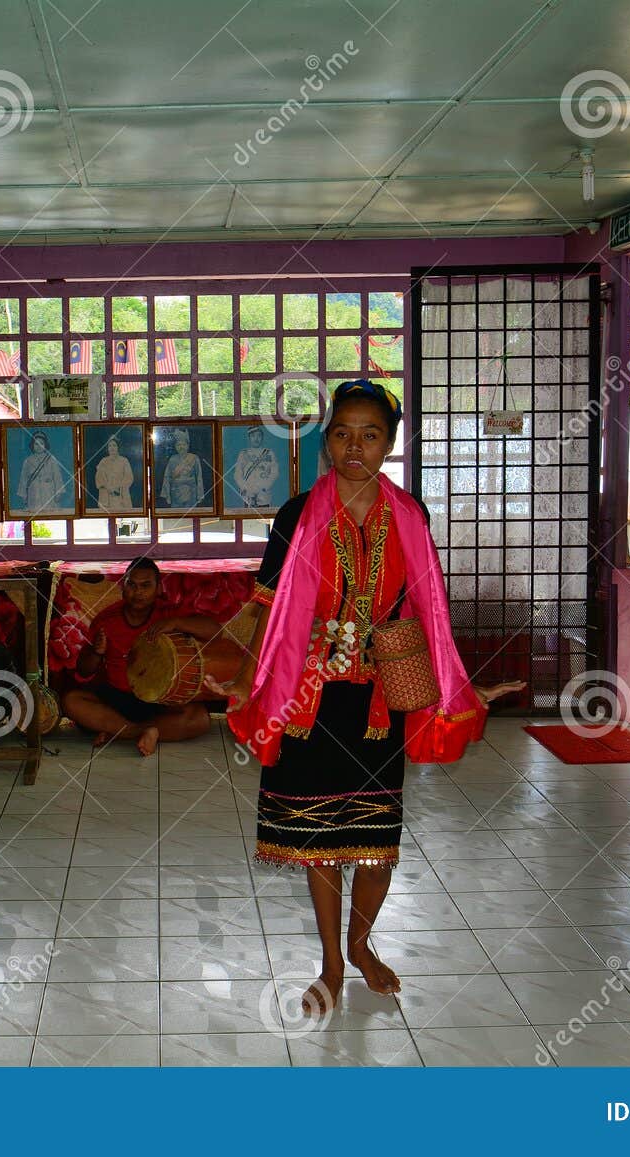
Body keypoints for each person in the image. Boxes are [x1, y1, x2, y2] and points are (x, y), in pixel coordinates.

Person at [221, 379, 511, 1018]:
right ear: (326, 441)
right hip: (308, 697)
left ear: (389, 443)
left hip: (380, 703)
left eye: (370, 435)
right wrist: (245, 679)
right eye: (343, 434)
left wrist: (458, 686)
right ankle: (332, 961)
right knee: (319, 841)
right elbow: (267, 603)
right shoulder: (297, 513)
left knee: (377, 842)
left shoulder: (411, 514)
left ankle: (361, 946)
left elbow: (428, 611)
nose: (355, 447)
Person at [59, 557, 220, 756]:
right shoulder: (106, 620)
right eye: (132, 585)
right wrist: (96, 652)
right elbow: (84, 670)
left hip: (160, 699)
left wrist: (177, 623)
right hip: (117, 698)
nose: (138, 592)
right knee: (71, 701)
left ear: (158, 588)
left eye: (146, 585)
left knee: (199, 719)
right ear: (122, 587)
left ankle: (118, 731)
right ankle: (143, 731)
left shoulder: (169, 612)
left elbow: (215, 632)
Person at [16, 430, 66, 514]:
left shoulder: (51, 459)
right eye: (36, 444)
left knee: (48, 512)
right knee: (34, 512)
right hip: (33, 493)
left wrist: (58, 493)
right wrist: (23, 495)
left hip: (48, 492)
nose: (39, 446)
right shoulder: (28, 461)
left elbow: (57, 477)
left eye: (41, 443)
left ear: (45, 445)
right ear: (32, 445)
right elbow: (23, 479)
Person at [231, 425, 280, 508]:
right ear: (249, 438)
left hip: (263, 494)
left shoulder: (269, 453)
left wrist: (265, 486)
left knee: (264, 514)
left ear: (262, 437)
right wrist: (244, 487)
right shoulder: (243, 454)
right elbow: (237, 474)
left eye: (259, 436)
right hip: (248, 494)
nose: (256, 438)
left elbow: (275, 473)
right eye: (253, 436)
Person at [160, 428, 205, 508]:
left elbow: (199, 477)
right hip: (175, 493)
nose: (181, 447)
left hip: (191, 492)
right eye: (178, 445)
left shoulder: (194, 458)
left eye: (183, 445)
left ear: (187, 446)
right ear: (175, 447)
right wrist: (167, 495)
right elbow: (167, 477)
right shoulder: (172, 459)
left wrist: (200, 494)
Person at [94, 435, 134, 511]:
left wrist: (118, 487)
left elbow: (129, 478)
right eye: (110, 446)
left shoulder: (124, 461)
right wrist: (108, 487)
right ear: (107, 448)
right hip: (106, 498)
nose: (112, 448)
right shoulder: (103, 461)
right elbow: (99, 478)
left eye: (114, 445)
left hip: (121, 497)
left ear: (118, 447)